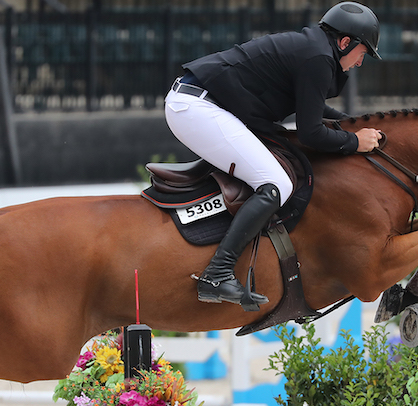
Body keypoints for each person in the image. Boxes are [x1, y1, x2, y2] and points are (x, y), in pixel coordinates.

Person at [164, 1, 383, 307]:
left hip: (199, 104)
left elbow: (313, 108)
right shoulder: (318, 58)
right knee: (277, 184)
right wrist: (354, 141)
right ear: (345, 42)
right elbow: (310, 133)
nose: (360, 62)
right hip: (198, 108)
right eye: (363, 53)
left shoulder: (315, 50)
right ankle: (217, 274)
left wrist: (352, 125)